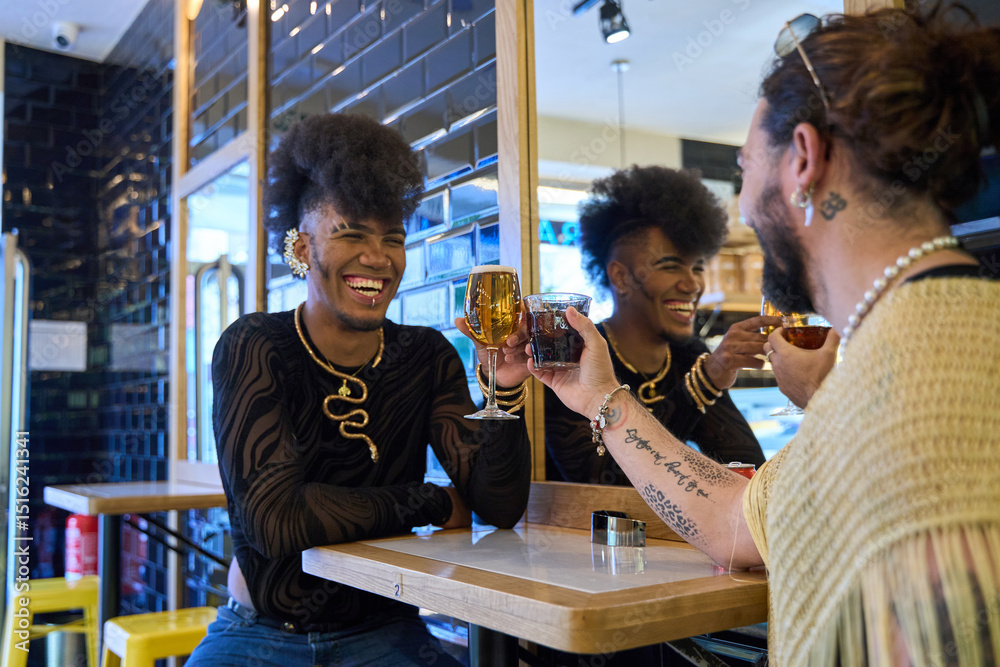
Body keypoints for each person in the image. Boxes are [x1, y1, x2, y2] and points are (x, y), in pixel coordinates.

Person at [530, 6, 1000, 665]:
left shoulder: (891, 381)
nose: (744, 203)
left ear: (803, 159)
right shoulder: (916, 349)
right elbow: (738, 521)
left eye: (744, 166)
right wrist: (605, 397)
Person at [187, 113, 532, 666]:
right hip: (261, 636)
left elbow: (500, 505)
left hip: (387, 634)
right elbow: (275, 522)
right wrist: (431, 500)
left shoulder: (425, 355)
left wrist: (503, 391)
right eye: (351, 233)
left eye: (392, 239)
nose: (377, 257)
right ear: (303, 248)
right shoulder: (255, 346)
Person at [544, 166, 770, 486]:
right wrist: (704, 383)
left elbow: (749, 472)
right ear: (621, 277)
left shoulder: (687, 355)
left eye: (698, 268)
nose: (693, 285)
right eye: (671, 266)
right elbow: (606, 485)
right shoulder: (577, 358)